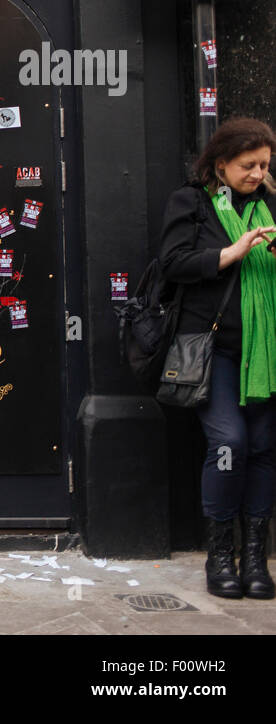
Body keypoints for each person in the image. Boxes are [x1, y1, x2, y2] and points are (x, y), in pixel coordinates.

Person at [161, 116, 276, 600]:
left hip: (266, 352)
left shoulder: (271, 202)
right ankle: (219, 554)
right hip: (216, 352)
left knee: (264, 449)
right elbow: (173, 263)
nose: (257, 174)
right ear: (221, 163)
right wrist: (233, 252)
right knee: (229, 443)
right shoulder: (192, 202)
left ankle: (254, 558)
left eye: (264, 165)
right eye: (248, 165)